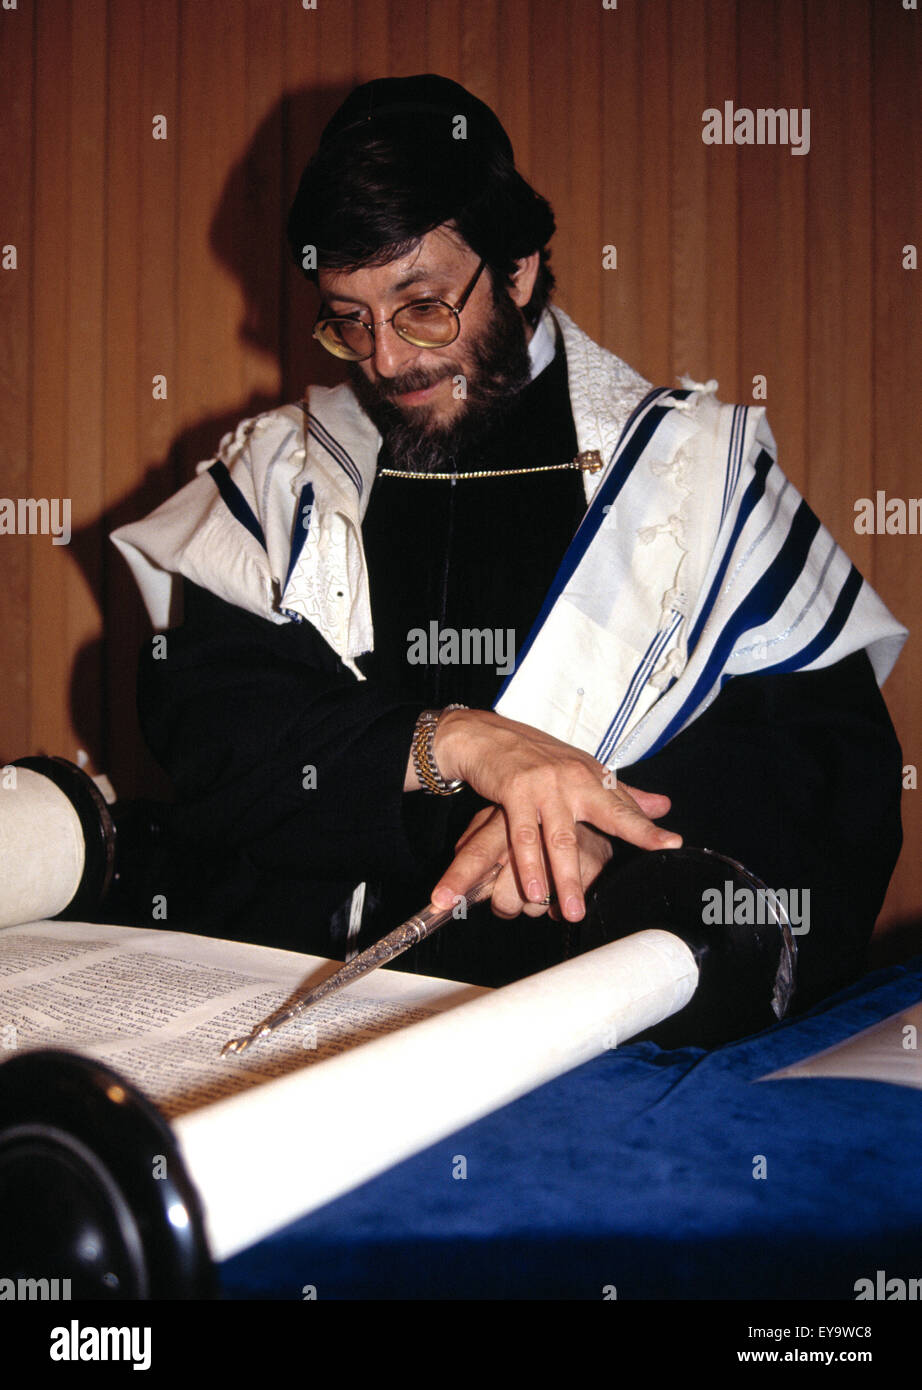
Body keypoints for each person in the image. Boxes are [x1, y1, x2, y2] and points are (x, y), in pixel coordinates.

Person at [111, 74, 907, 1012]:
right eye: (349, 320)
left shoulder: (690, 477)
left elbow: (827, 775)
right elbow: (213, 727)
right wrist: (446, 743)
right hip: (320, 1010)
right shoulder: (287, 473)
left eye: (422, 306)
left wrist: (603, 838)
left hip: (599, 1028)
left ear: (520, 266)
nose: (389, 360)